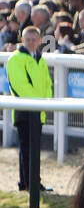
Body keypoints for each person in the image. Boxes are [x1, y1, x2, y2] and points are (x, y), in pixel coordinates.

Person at [9, 26, 53, 192]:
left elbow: (47, 83)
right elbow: (21, 85)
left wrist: (45, 100)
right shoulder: (16, 59)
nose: (31, 42)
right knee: (27, 147)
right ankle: (29, 183)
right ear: (23, 40)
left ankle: (29, 182)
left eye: (34, 39)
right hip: (25, 109)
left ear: (40, 41)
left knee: (32, 147)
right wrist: (39, 102)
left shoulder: (40, 59)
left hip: (38, 110)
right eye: (28, 39)